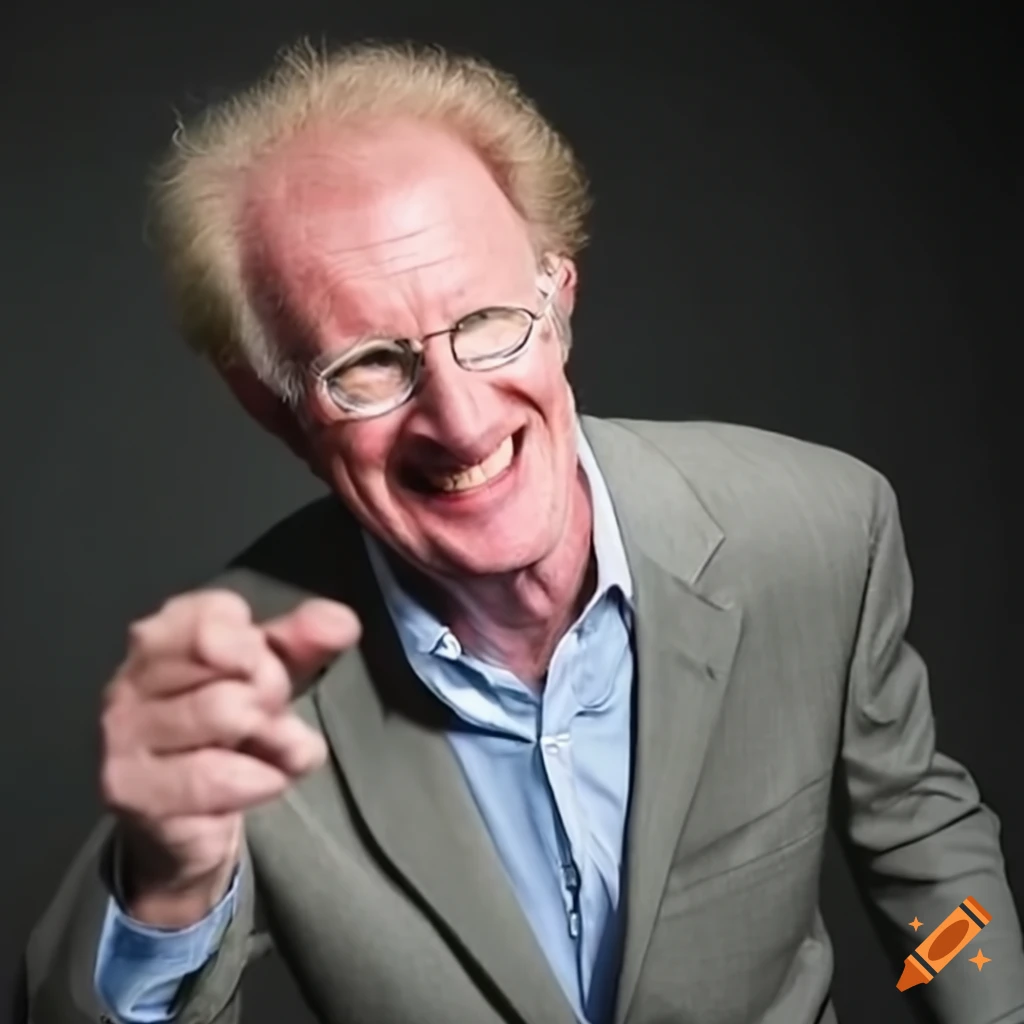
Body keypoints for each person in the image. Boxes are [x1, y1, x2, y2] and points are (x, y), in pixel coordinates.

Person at [22, 38, 1024, 1024]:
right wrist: (164, 892)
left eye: (489, 320)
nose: (459, 419)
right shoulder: (229, 686)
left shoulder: (815, 529)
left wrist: (979, 1000)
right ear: (273, 406)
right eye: (367, 364)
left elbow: (924, 853)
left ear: (558, 304)